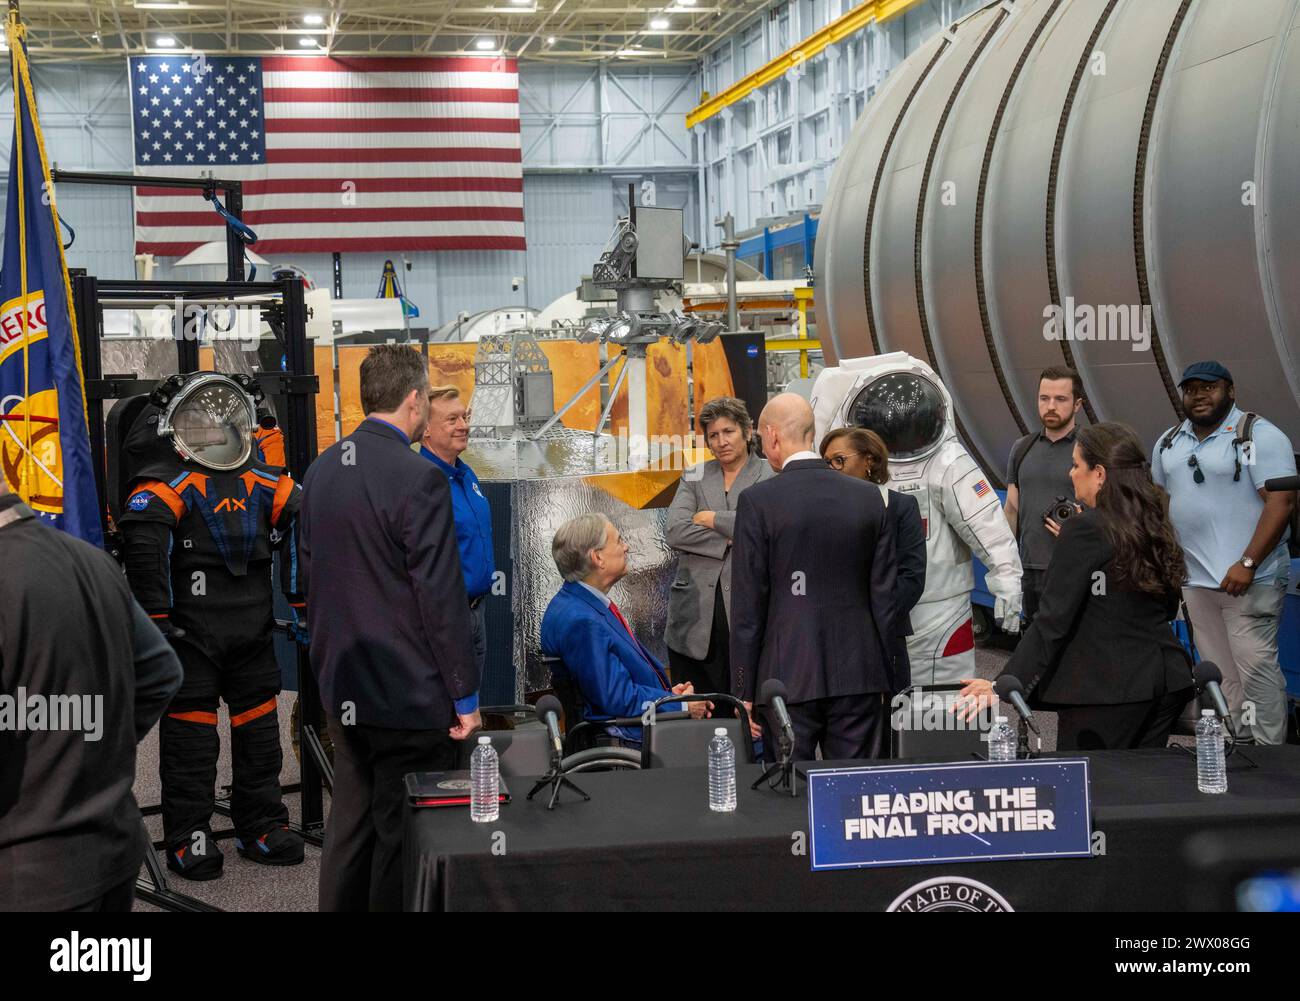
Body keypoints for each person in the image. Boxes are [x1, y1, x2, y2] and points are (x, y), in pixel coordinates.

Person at [300, 344, 480, 912]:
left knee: (351, 823)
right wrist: (464, 695)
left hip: (341, 685)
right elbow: (440, 597)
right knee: (400, 829)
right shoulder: (419, 479)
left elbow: (309, 579)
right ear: (414, 400)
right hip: (406, 692)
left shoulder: (321, 468)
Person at [117, 372, 304, 880]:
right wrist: (154, 625)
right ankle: (188, 835)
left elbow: (299, 524)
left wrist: (301, 601)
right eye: (197, 422)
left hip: (253, 635)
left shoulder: (265, 480)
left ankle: (262, 825)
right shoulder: (165, 485)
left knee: (260, 735)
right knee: (191, 747)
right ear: (175, 426)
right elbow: (143, 552)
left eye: (218, 421)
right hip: (189, 640)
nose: (210, 431)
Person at [0, 480, 183, 911]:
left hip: (25, 877)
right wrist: (88, 747)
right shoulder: (92, 559)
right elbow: (161, 672)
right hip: (112, 849)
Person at [959, 423, 1195, 750]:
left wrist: (1003, 684)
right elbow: (1167, 606)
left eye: (1075, 465)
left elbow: (1053, 619)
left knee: (1090, 791)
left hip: (1105, 691)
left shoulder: (1085, 529)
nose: (1071, 474)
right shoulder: (1152, 522)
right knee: (1142, 789)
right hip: (1164, 682)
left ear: (1099, 474)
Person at [810, 352, 1022, 686]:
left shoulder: (947, 460)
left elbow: (988, 527)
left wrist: (1008, 583)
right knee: (877, 708)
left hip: (940, 611)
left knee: (942, 711)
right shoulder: (844, 470)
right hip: (870, 613)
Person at [730, 393, 898, 761]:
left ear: (772, 436)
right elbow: (885, 597)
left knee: (789, 791)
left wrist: (742, 688)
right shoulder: (870, 497)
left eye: (760, 439)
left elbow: (747, 606)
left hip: (785, 676)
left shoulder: (758, 501)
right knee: (856, 795)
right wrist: (889, 676)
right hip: (861, 672)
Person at [1152, 361, 1297, 745]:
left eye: (1209, 387)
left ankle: (1273, 757)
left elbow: (1280, 502)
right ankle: (1241, 744)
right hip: (1196, 582)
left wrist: (1247, 562)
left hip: (1250, 581)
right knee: (1220, 673)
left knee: (1256, 670)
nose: (1198, 395)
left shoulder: (1257, 436)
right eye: (1190, 389)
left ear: (1230, 391)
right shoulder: (1169, 442)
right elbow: (1160, 503)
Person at [542, 513, 710, 745]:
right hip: (629, 740)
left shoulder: (577, 604)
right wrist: (679, 704)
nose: (627, 547)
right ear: (598, 557)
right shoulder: (582, 621)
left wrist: (669, 695)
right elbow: (616, 699)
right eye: (619, 540)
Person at [664, 396, 773, 697]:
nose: (721, 441)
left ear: (748, 432)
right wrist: (731, 536)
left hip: (748, 607)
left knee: (746, 708)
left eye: (729, 432)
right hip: (694, 617)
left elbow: (766, 528)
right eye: (713, 435)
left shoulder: (769, 475)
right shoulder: (695, 474)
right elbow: (675, 531)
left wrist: (710, 518)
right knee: (698, 711)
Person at [820, 426, 926, 693]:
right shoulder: (818, 511)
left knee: (887, 724)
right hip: (828, 641)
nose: (831, 468)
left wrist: (871, 620)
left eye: (839, 460)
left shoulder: (901, 507)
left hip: (884, 638)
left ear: (870, 460)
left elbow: (912, 577)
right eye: (826, 462)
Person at [419, 385, 496, 684]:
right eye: (452, 420)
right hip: (445, 619)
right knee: (447, 711)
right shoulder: (422, 483)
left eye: (464, 417)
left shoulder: (466, 474)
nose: (464, 426)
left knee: (470, 709)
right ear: (425, 428)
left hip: (477, 613)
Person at [1004, 366, 1085, 626]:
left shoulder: (1091, 448)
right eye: (1044, 398)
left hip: (1076, 569)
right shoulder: (1021, 448)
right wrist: (1007, 567)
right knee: (1036, 652)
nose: (1051, 406)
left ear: (1077, 405)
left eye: (1060, 399)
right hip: (1030, 572)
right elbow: (1012, 510)